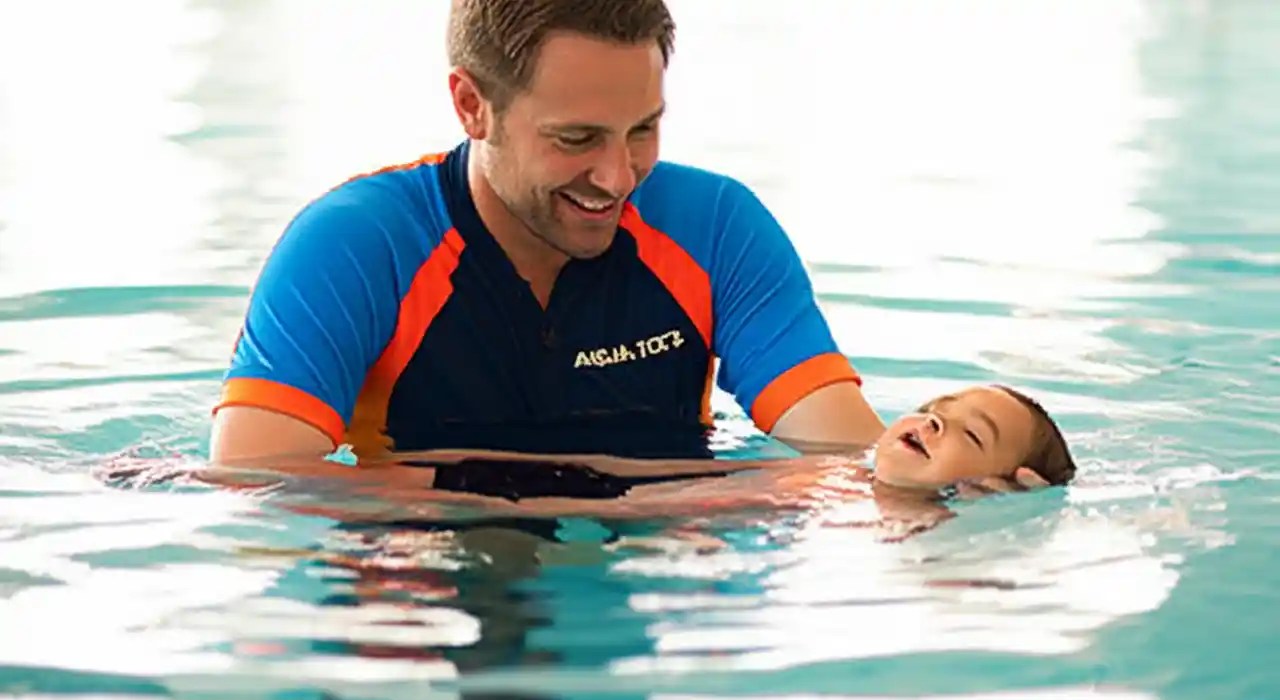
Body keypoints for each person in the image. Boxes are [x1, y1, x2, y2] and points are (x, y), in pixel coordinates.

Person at [209, 0, 886, 465]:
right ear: (472, 105)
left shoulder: (716, 228)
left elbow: (854, 463)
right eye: (577, 138)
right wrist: (618, 497)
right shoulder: (355, 245)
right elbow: (256, 485)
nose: (619, 177)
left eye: (643, 129)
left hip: (651, 583)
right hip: (425, 588)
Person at [191, 384, 1075, 540]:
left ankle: (229, 485)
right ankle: (224, 480)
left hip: (629, 516)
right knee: (445, 481)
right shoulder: (855, 476)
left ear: (994, 485)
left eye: (969, 433)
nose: (927, 420)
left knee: (461, 503)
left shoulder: (926, 524)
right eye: (934, 406)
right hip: (626, 499)